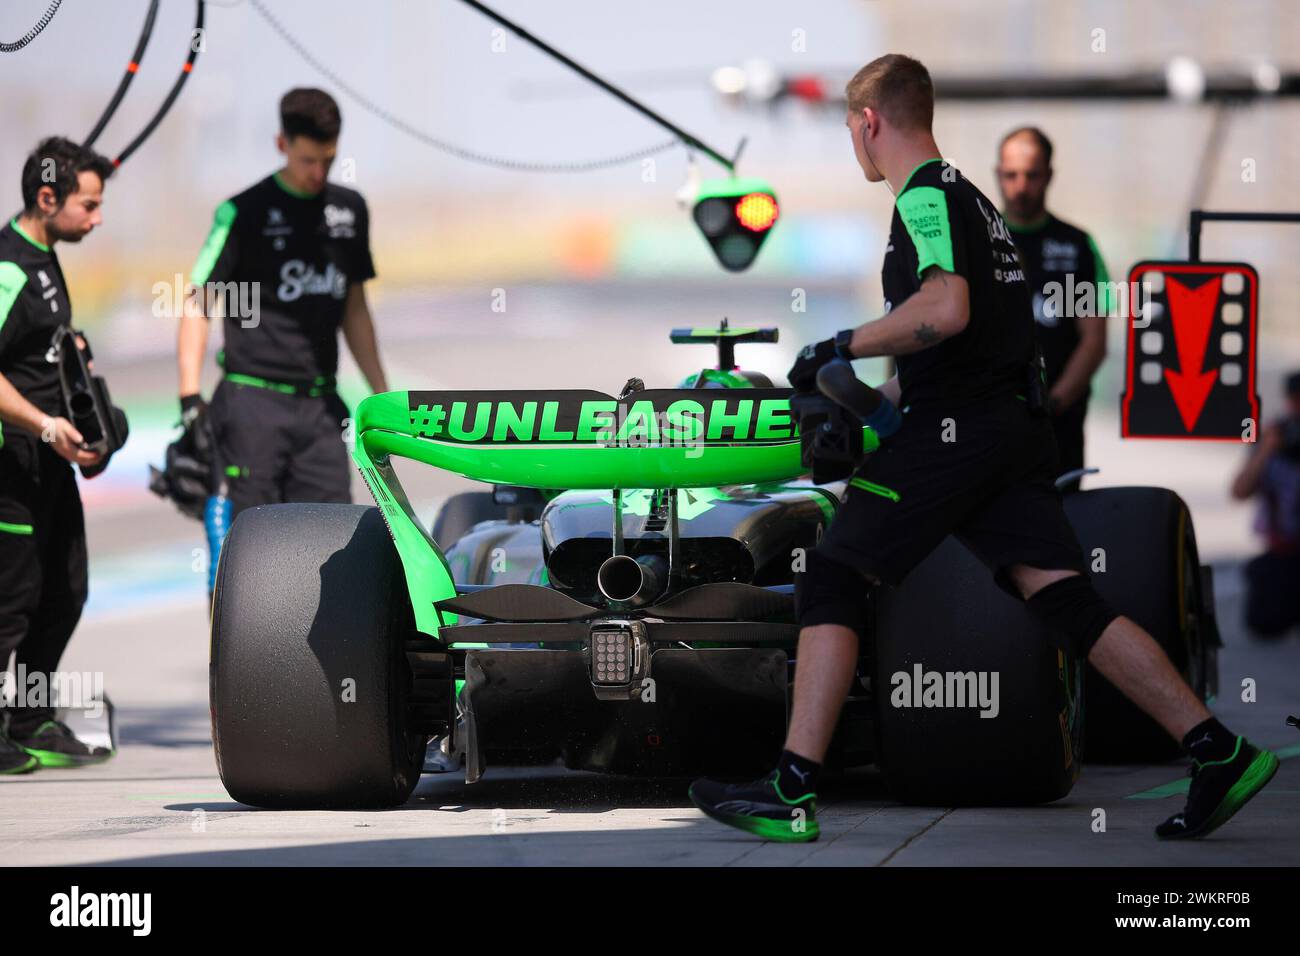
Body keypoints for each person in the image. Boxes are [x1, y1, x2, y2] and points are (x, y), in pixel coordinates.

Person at [688, 54, 1278, 842]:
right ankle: (1218, 749)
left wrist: (842, 342)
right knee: (1067, 599)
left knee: (832, 569)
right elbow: (953, 345)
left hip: (961, 435)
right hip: (1008, 429)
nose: (853, 148)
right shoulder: (975, 203)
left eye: (850, 133)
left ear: (868, 123)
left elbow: (948, 308)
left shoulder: (925, 196)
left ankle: (791, 789)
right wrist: (870, 408)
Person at [177, 88, 388, 591]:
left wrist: (381, 393)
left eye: (329, 159)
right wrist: (189, 395)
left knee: (334, 552)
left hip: (319, 412)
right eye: (308, 159)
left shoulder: (349, 210)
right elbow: (197, 301)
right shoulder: (242, 213)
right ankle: (238, 667)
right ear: (281, 143)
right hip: (252, 408)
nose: (319, 172)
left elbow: (354, 307)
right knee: (248, 559)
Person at [0, 137, 116, 773]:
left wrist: (88, 415)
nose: (97, 219)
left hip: (51, 462)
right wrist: (44, 424)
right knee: (9, 602)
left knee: (65, 590)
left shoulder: (47, 256)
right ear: (48, 198)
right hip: (11, 464)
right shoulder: (9, 267)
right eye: (89, 205)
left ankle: (29, 716)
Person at [996, 126, 1108, 492]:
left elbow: (1093, 343)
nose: (1021, 186)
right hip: (989, 428)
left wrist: (1053, 402)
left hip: (1059, 432)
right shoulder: (976, 240)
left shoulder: (1076, 246)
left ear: (1049, 176)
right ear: (998, 174)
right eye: (1011, 175)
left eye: (1032, 175)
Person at [1232, 371, 1300, 637]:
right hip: (1281, 552)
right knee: (1263, 624)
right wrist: (1265, 450)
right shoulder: (1273, 437)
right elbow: (1239, 491)